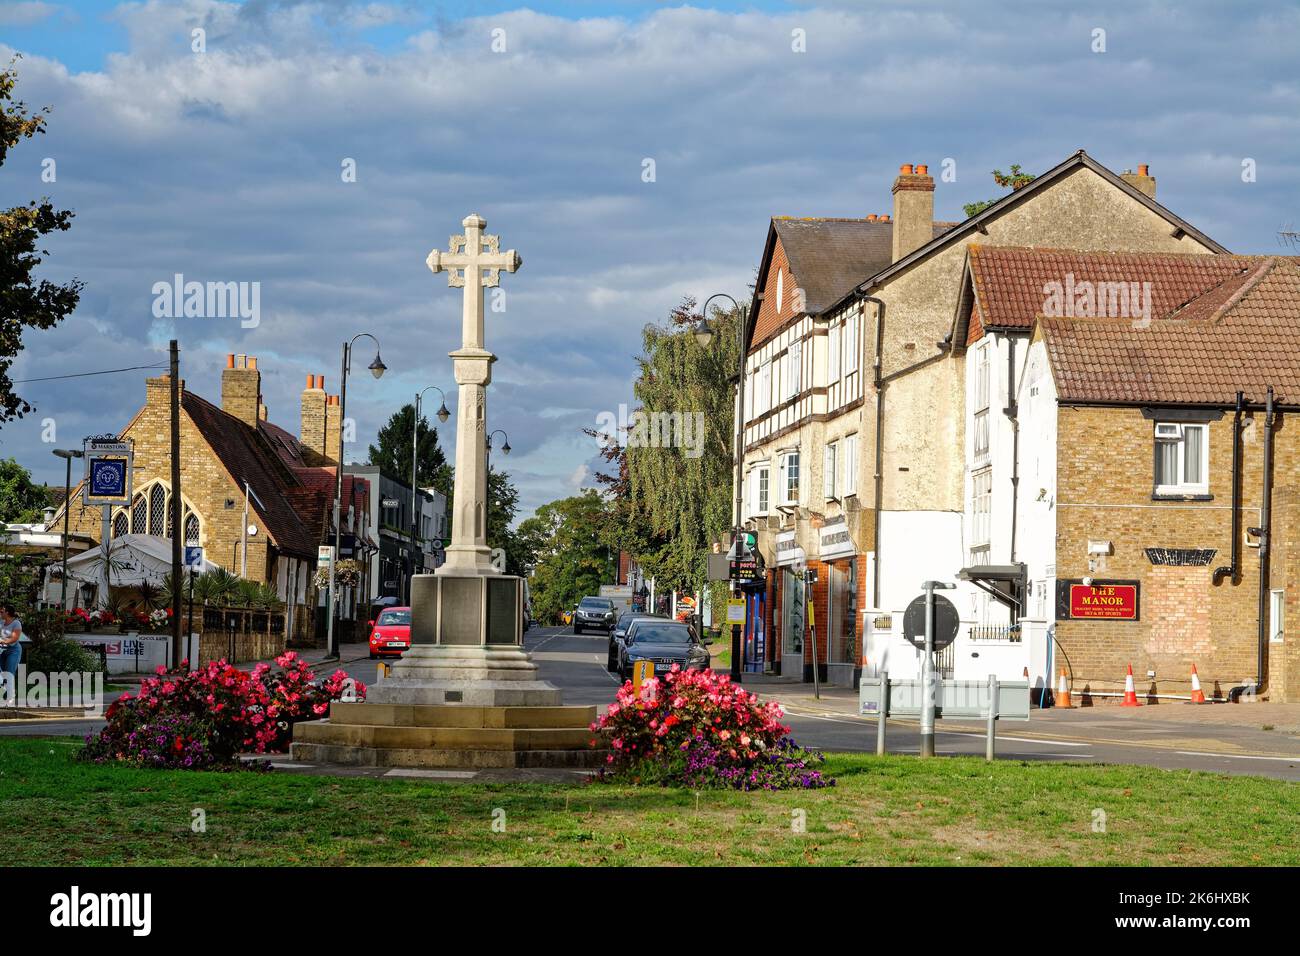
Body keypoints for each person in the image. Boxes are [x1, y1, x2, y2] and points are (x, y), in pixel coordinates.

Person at [0, 603, 22, 703]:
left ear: (7, 613)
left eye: (2, 611)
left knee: (9, 672)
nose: (0, 613)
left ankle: (10, 695)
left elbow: (14, 638)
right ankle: (5, 688)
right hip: (1, 650)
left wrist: (3, 641)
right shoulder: (1, 622)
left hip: (13, 651)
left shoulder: (16, 623)